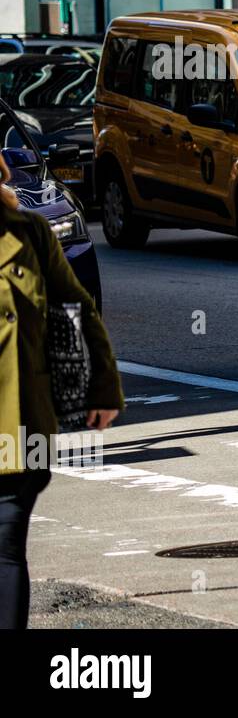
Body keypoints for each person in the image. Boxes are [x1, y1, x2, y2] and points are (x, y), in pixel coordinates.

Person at [0, 154, 123, 629]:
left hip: (20, 429)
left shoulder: (28, 234)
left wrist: (100, 389)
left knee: (6, 547)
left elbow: (75, 307)